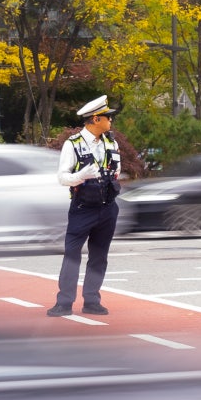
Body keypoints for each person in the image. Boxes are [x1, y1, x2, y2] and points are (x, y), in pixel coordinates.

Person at [47, 96, 122, 317]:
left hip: (108, 206)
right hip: (83, 208)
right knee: (72, 254)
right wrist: (80, 176)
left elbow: (116, 168)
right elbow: (62, 177)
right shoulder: (73, 144)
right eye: (108, 117)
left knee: (99, 256)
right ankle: (64, 302)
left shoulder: (111, 142)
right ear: (95, 118)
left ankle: (92, 300)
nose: (111, 121)